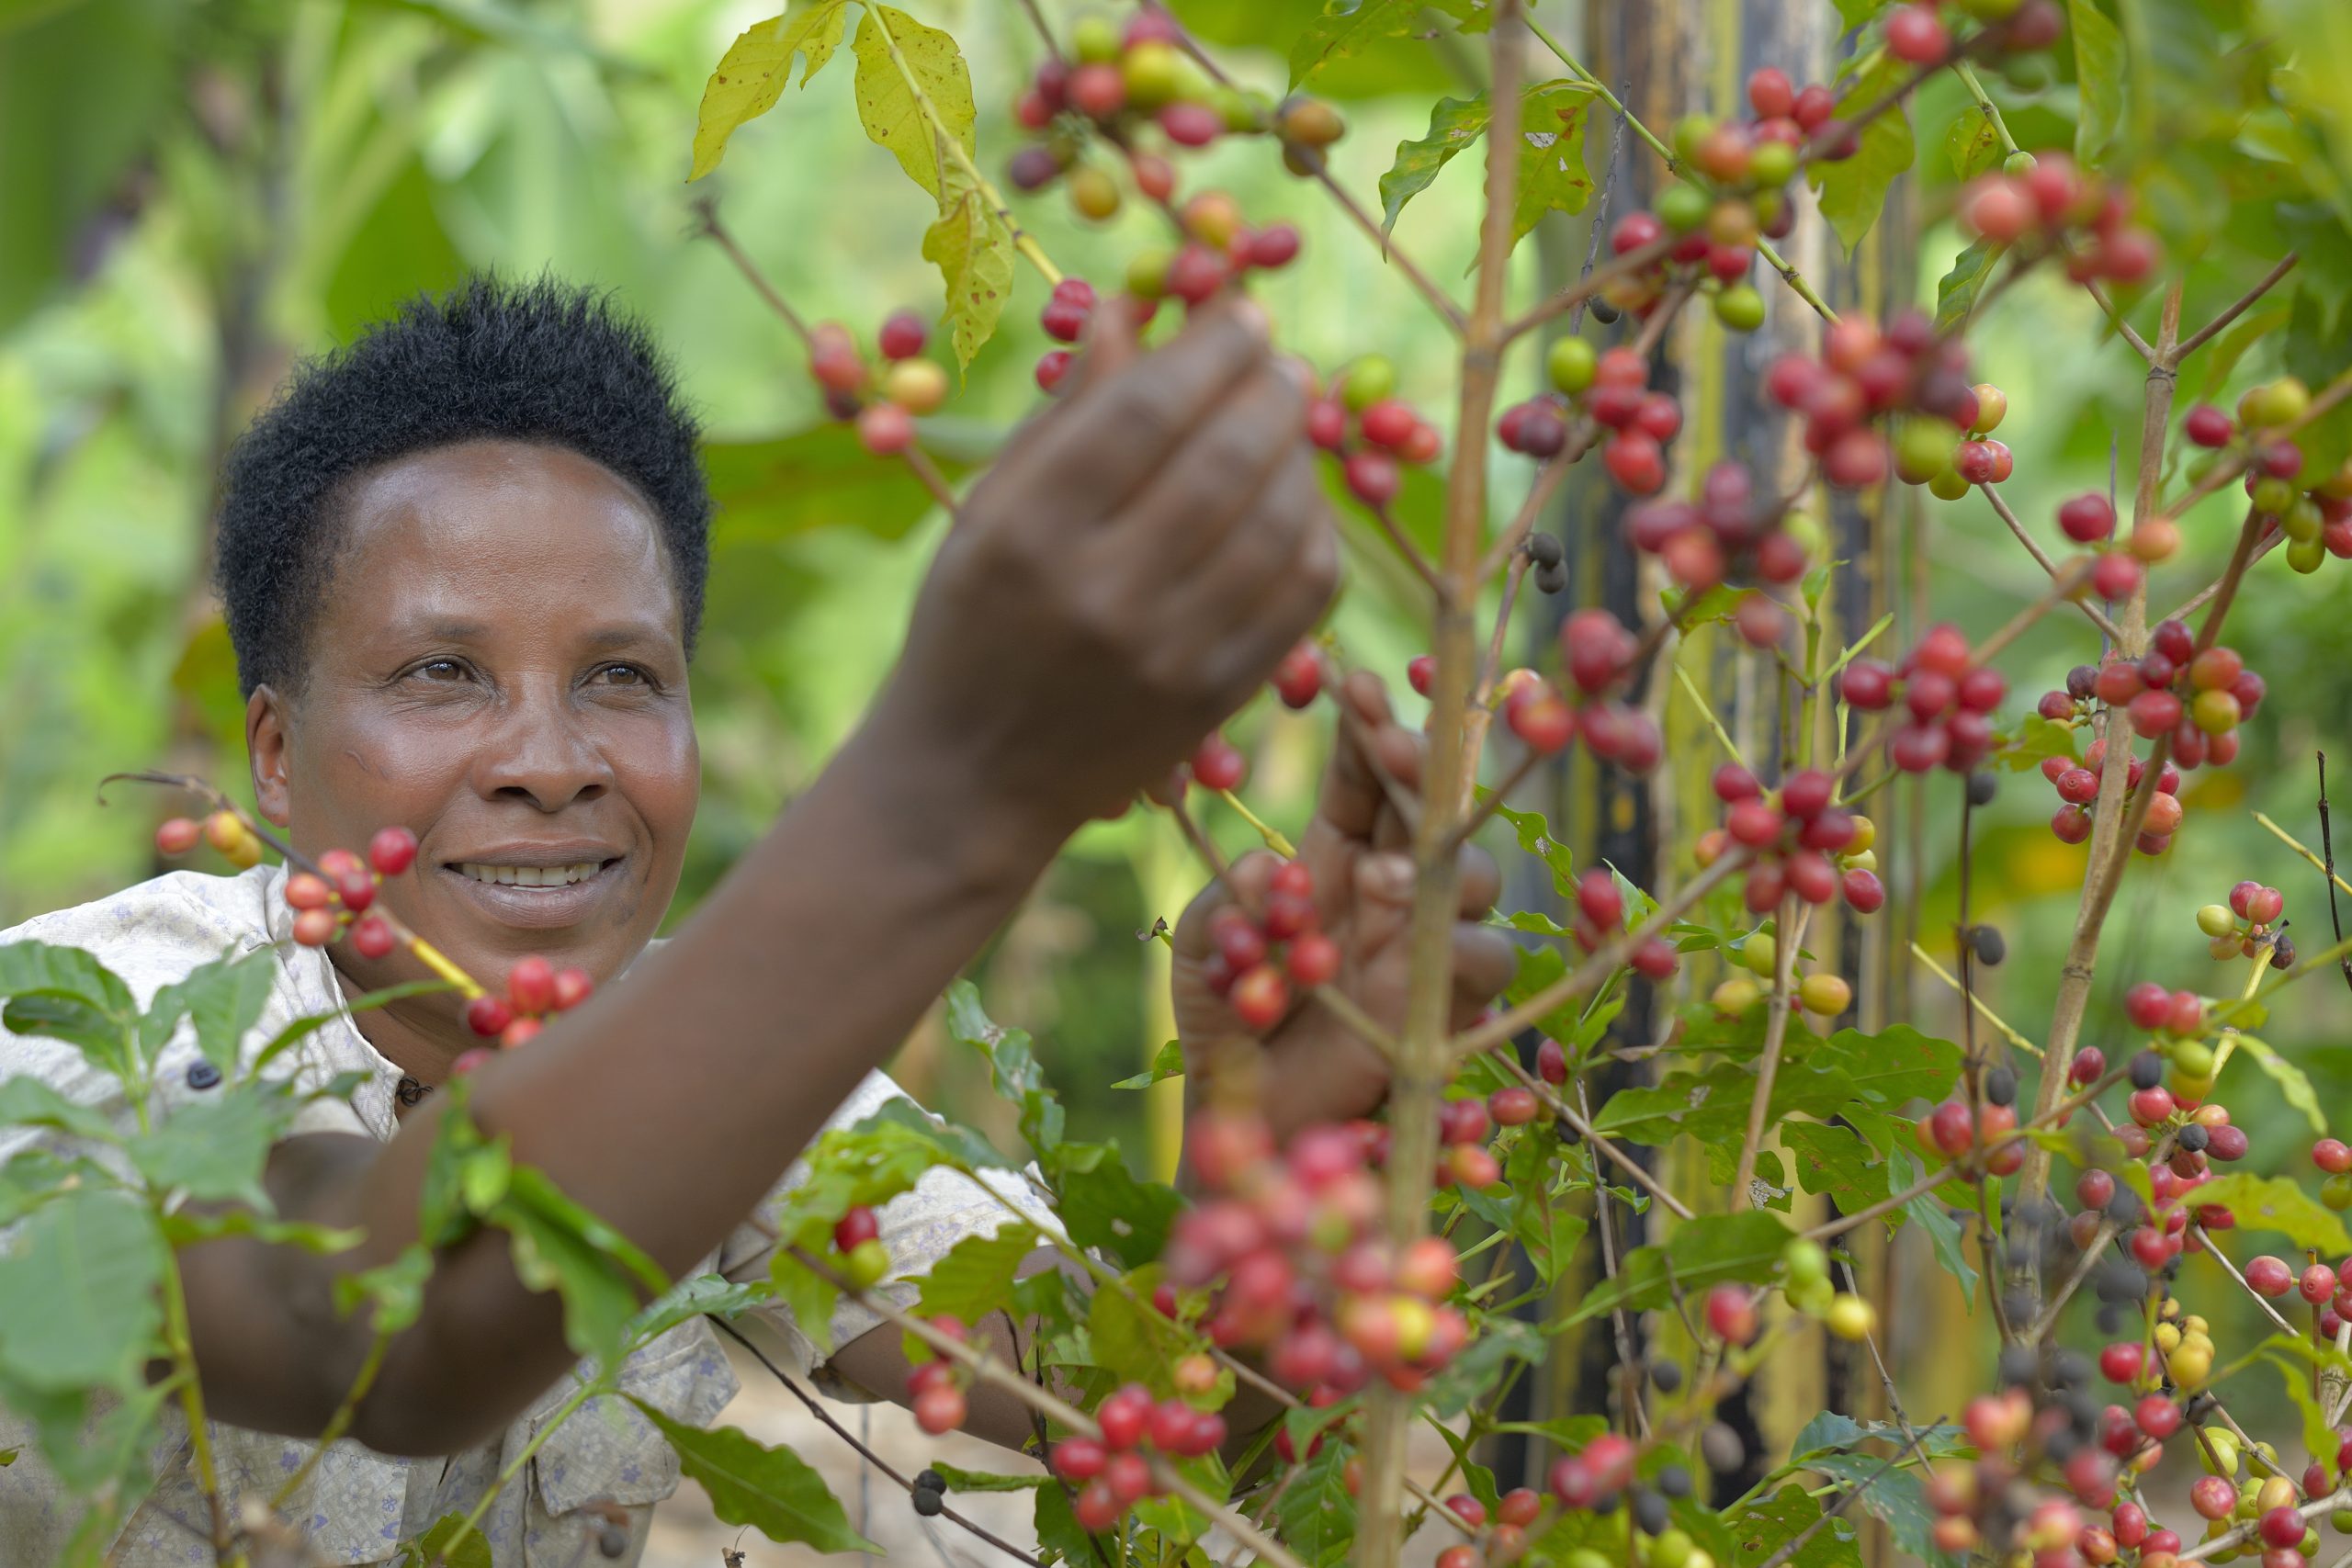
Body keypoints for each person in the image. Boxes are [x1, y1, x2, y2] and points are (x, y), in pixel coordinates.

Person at [0, 276, 1510, 1564]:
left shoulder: (747, 1078)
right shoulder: (75, 1044)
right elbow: (377, 1327)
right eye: (442, 674)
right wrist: (962, 788)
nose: (550, 762)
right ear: (273, 751)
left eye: (621, 677)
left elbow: (1135, 1408)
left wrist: (1279, 1147)